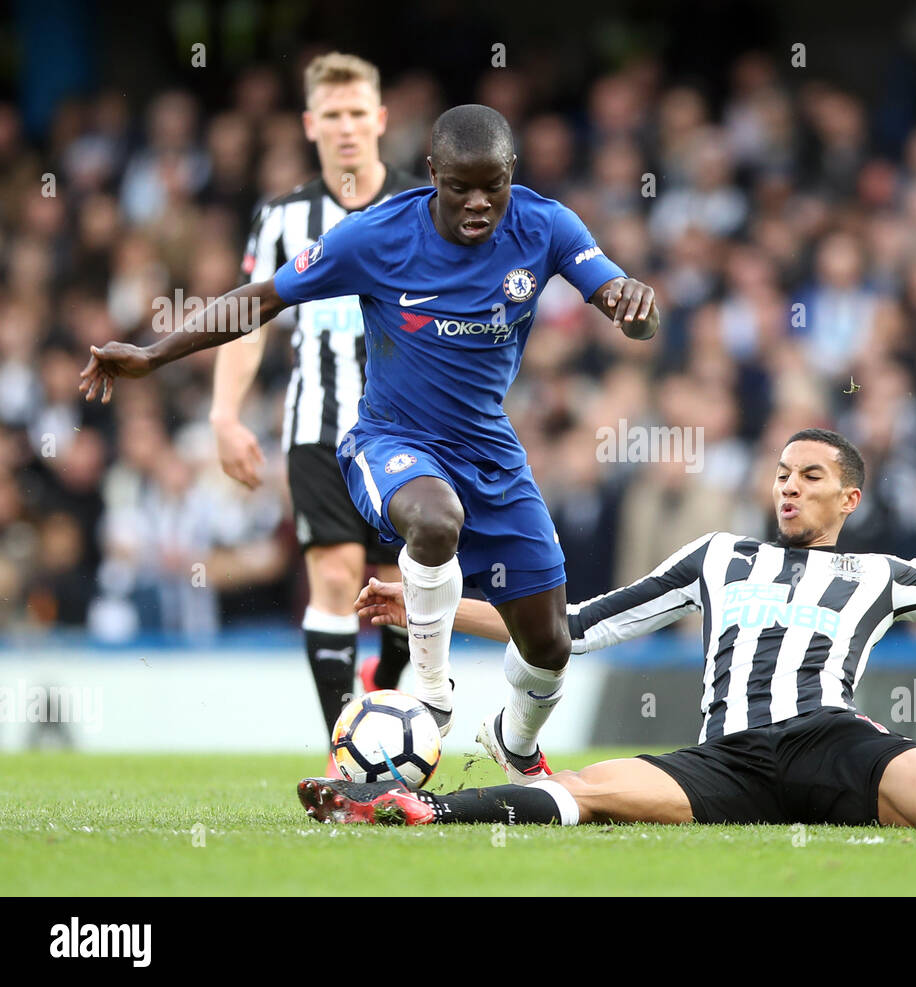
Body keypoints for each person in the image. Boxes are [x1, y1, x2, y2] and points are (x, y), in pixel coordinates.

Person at [80, 103, 659, 786]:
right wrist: (153, 354)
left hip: (493, 454)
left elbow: (628, 308)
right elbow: (261, 298)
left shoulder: (548, 225)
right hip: (391, 441)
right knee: (436, 520)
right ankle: (434, 694)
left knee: (550, 643)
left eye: (493, 186)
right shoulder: (375, 236)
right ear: (433, 173)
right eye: (460, 187)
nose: (479, 203)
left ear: (512, 175)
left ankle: (515, 741)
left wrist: (635, 305)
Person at [295, 427, 916, 829]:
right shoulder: (714, 558)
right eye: (782, 471)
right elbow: (572, 628)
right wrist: (435, 610)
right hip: (727, 758)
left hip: (833, 741)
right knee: (586, 792)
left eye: (811, 475)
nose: (789, 484)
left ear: (850, 495)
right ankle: (414, 809)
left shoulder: (882, 574)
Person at [211, 52, 424, 755]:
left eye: (358, 113)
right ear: (310, 124)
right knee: (335, 574)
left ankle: (389, 723)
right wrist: (224, 413)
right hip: (317, 428)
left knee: (399, 585)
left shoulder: (422, 209)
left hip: (407, 429)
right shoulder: (282, 217)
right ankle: (346, 744)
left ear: (381, 119)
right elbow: (246, 323)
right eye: (331, 115)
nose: (346, 127)